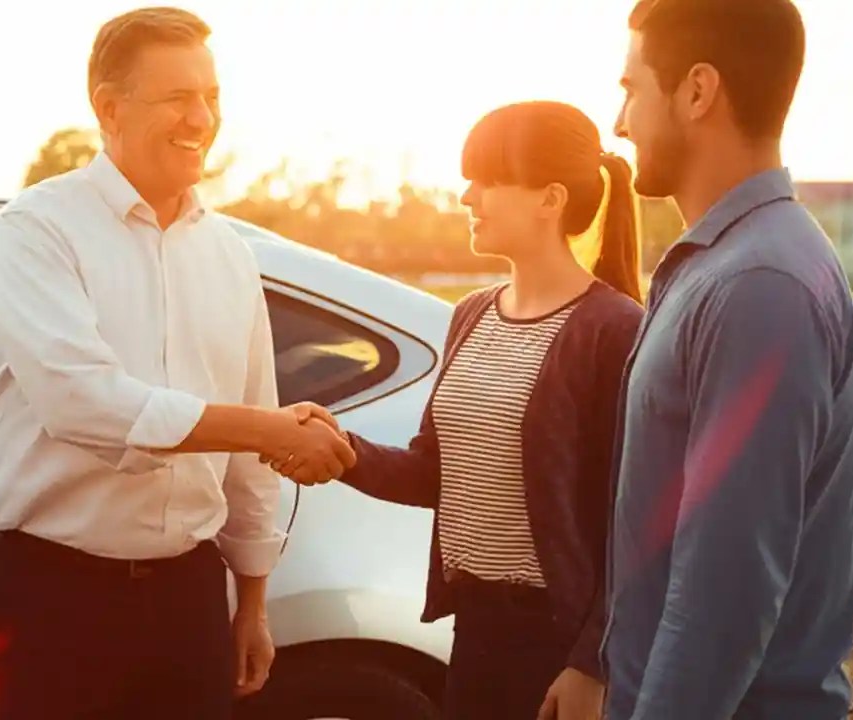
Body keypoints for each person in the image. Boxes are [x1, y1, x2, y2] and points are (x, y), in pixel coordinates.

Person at [0, 7, 355, 719]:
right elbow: (83, 401)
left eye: (212, 97)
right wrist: (266, 429)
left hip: (191, 599)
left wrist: (253, 601)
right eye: (178, 97)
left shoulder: (230, 254)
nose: (202, 119)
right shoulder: (37, 232)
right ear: (109, 109)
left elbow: (247, 453)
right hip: (55, 597)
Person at [272, 100, 646, 719]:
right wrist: (344, 451)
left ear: (549, 199)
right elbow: (432, 471)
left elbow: (634, 519)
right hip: (474, 633)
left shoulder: (613, 329)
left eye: (489, 180)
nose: (468, 196)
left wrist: (591, 664)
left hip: (558, 646)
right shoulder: (472, 313)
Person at [603, 0, 853, 718]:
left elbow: (724, 593)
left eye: (630, 89)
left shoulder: (758, 285)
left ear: (696, 91)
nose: (619, 123)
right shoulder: (728, 265)